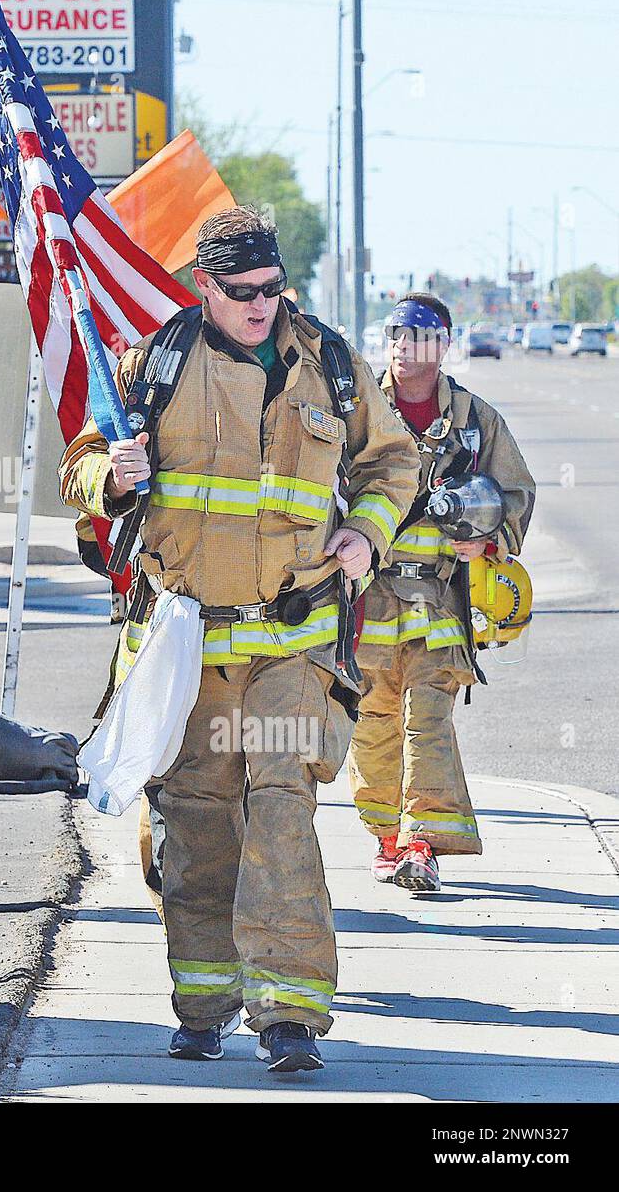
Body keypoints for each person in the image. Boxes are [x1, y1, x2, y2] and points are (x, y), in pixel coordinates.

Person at [59, 205, 419, 1072]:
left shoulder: (328, 362)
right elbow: (77, 462)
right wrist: (110, 473)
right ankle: (205, 1002)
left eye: (273, 288)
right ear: (206, 288)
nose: (263, 304)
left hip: (295, 639)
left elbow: (392, 461)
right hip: (190, 645)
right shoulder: (156, 363)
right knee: (197, 820)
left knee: (283, 807)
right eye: (244, 292)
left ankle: (290, 1014)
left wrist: (365, 535)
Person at [348, 293, 535, 894]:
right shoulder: (357, 409)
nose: (405, 347)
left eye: (420, 336)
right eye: (397, 334)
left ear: (444, 345)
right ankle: (386, 837)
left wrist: (487, 543)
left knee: (427, 717)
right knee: (372, 718)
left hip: (437, 599)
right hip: (367, 596)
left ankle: (420, 843)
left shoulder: (476, 423)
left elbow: (517, 492)